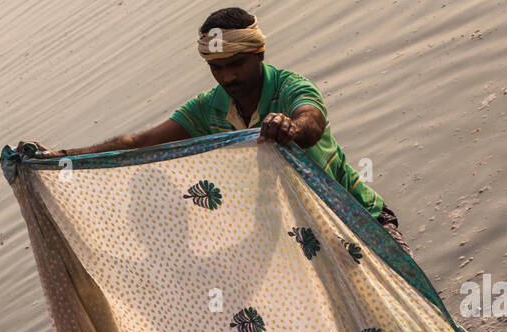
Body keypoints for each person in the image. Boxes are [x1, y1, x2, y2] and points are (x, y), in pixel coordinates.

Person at [21, 7, 411, 253]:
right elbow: (137, 144)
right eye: (216, 67)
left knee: (419, 321)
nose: (227, 77)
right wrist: (60, 158)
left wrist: (287, 127)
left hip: (360, 221)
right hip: (305, 242)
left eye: (236, 64)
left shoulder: (292, 88)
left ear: (259, 55)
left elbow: (311, 123)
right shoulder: (207, 110)